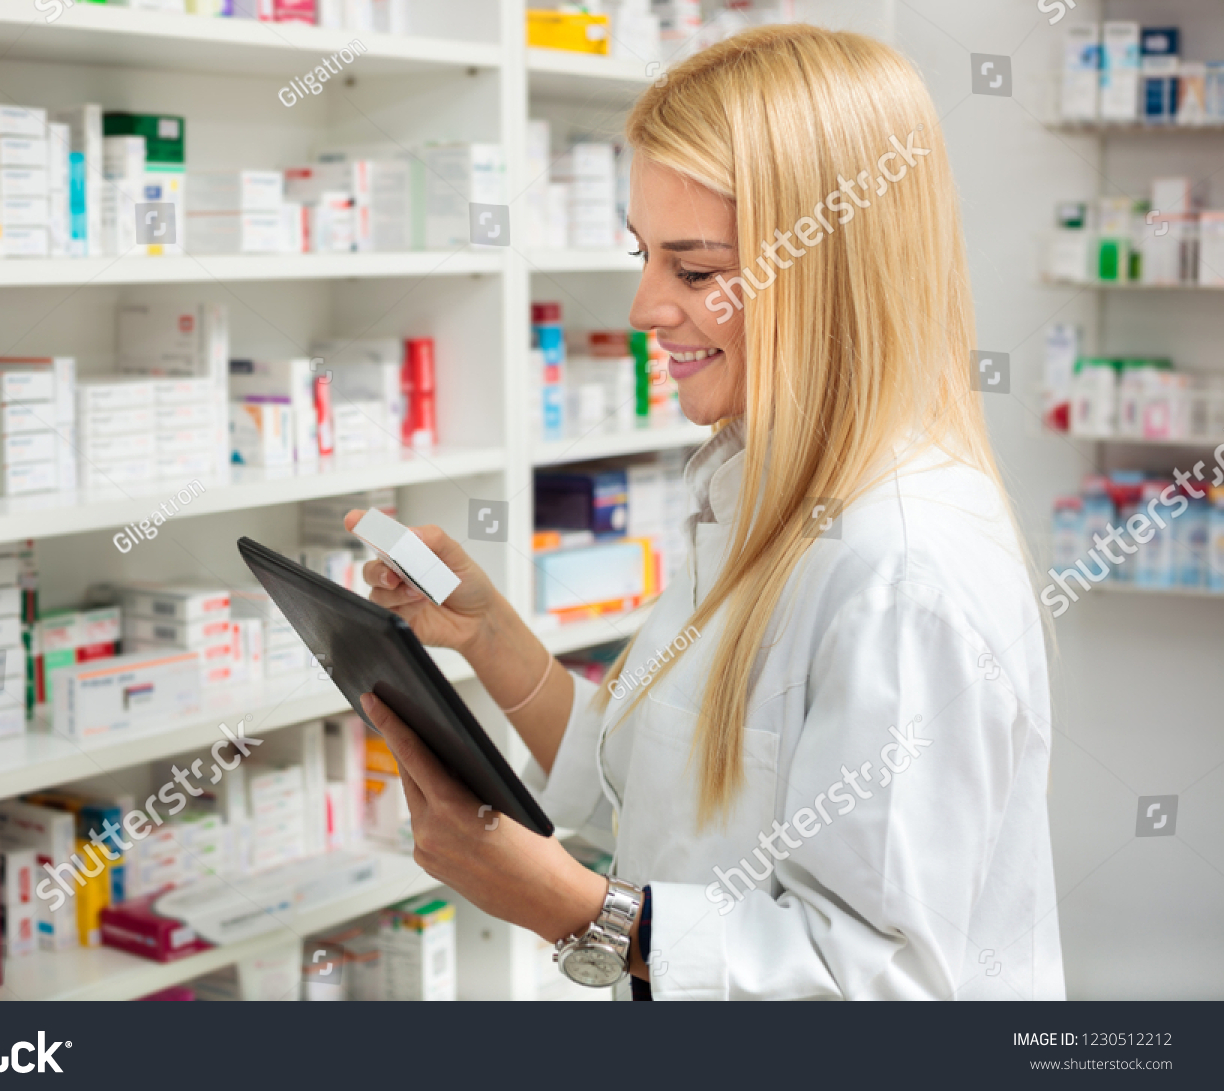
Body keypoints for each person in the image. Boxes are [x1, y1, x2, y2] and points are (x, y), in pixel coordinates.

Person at [347, 23, 1064, 1000]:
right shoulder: (756, 486)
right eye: (645, 254)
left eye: (693, 271)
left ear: (827, 270)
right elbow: (653, 790)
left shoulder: (902, 568)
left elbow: (887, 986)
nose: (645, 305)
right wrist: (490, 637)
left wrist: (580, 911)